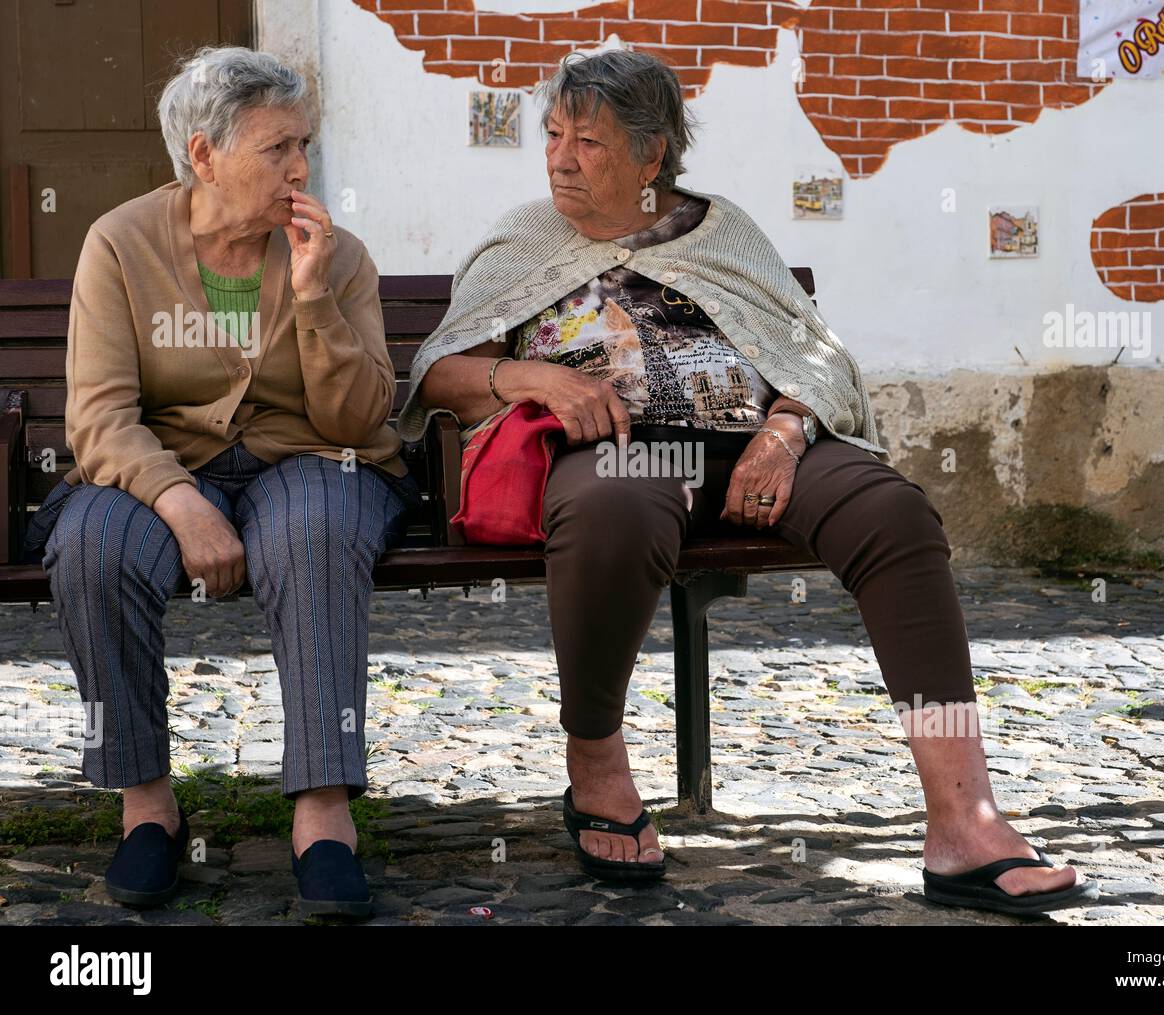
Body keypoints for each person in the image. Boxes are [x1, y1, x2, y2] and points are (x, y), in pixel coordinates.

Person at [397, 50, 1097, 914]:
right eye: (553, 134)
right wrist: (533, 380)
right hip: (627, 449)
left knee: (894, 513)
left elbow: (813, 351)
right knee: (613, 510)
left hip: (760, 443)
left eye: (589, 140)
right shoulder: (524, 240)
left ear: (653, 157)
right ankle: (597, 767)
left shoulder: (723, 230)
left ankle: (964, 820)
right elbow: (440, 372)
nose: (561, 157)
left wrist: (787, 428)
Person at [25, 46, 422, 918]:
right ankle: (147, 806)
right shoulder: (120, 244)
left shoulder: (336, 253)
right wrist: (177, 501)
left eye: (303, 144)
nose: (299, 168)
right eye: (276, 147)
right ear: (203, 154)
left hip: (308, 458)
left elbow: (361, 423)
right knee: (90, 542)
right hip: (160, 465)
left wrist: (314, 300)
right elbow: (98, 420)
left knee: (314, 533)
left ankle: (323, 817)